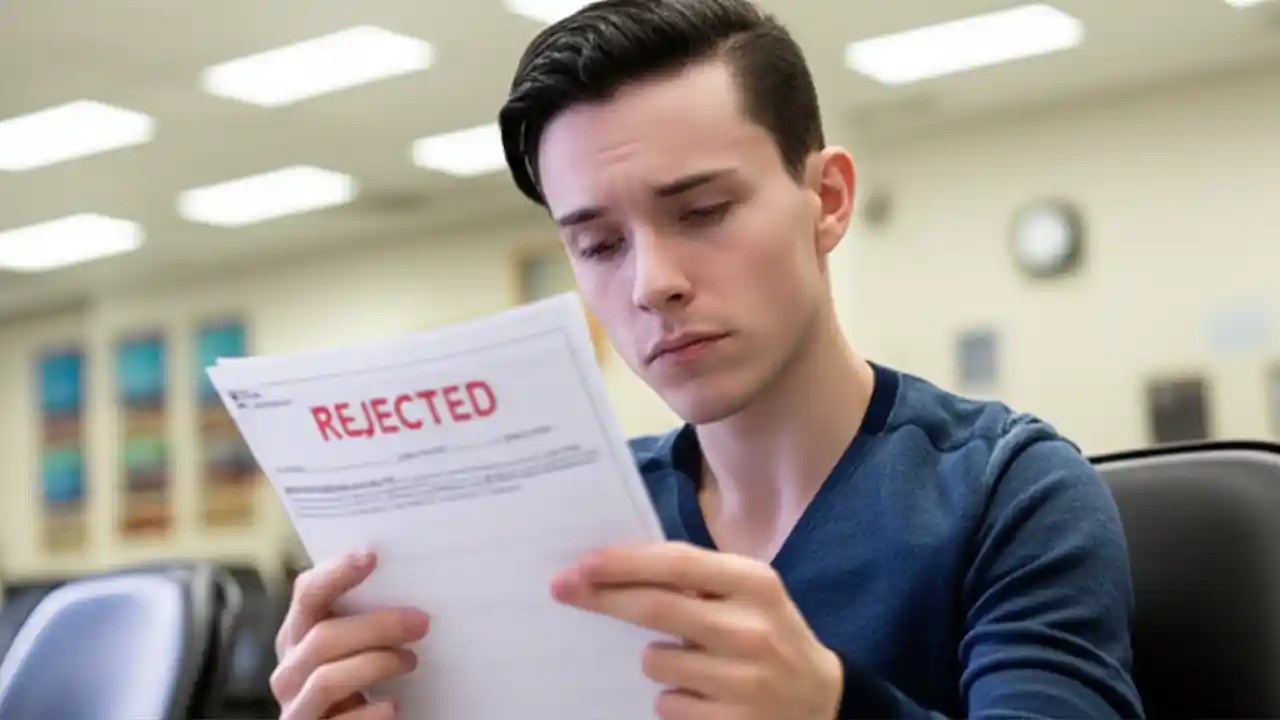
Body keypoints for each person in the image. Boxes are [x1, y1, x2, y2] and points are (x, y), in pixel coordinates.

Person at [269, 0, 1144, 717]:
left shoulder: (1007, 491)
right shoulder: (569, 530)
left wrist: (833, 708)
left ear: (827, 200)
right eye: (600, 244)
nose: (653, 284)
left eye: (703, 211)